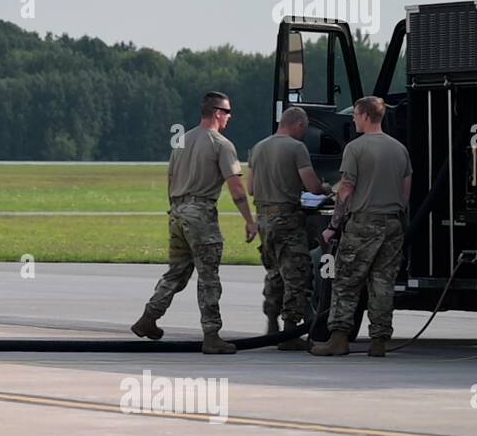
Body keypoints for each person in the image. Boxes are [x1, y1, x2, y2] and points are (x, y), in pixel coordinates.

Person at [132, 92, 258, 354]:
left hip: (177, 212)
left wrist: (175, 209)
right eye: (228, 112)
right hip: (200, 214)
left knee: (176, 272)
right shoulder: (221, 144)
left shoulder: (182, 140)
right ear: (217, 113)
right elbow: (236, 188)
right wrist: (250, 220)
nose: (230, 117)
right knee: (208, 276)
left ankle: (149, 318)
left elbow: (170, 178)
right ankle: (212, 335)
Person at [311, 96, 412, 358]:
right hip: (392, 223)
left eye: (355, 114)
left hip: (363, 223)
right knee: (382, 284)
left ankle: (339, 338)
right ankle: (379, 341)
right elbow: (405, 190)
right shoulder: (399, 149)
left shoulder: (355, 148)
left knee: (346, 282)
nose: (353, 119)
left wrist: (334, 225)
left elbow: (345, 191)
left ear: (366, 116)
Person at [248, 106, 331, 349]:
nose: (304, 134)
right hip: (287, 219)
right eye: (303, 129)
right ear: (298, 125)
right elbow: (312, 186)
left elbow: (250, 188)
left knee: (274, 272)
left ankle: (271, 325)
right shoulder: (297, 148)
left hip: (264, 218)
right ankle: (290, 332)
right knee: (297, 274)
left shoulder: (259, 147)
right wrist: (324, 188)